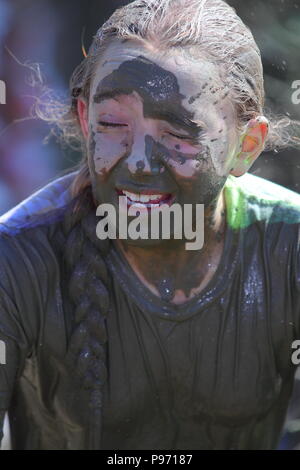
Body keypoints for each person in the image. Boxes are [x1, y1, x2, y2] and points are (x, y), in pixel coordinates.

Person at [0, 0, 300, 450]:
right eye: (112, 124)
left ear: (247, 146)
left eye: (177, 135)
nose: (139, 162)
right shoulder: (17, 260)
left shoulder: (287, 245)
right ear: (85, 121)